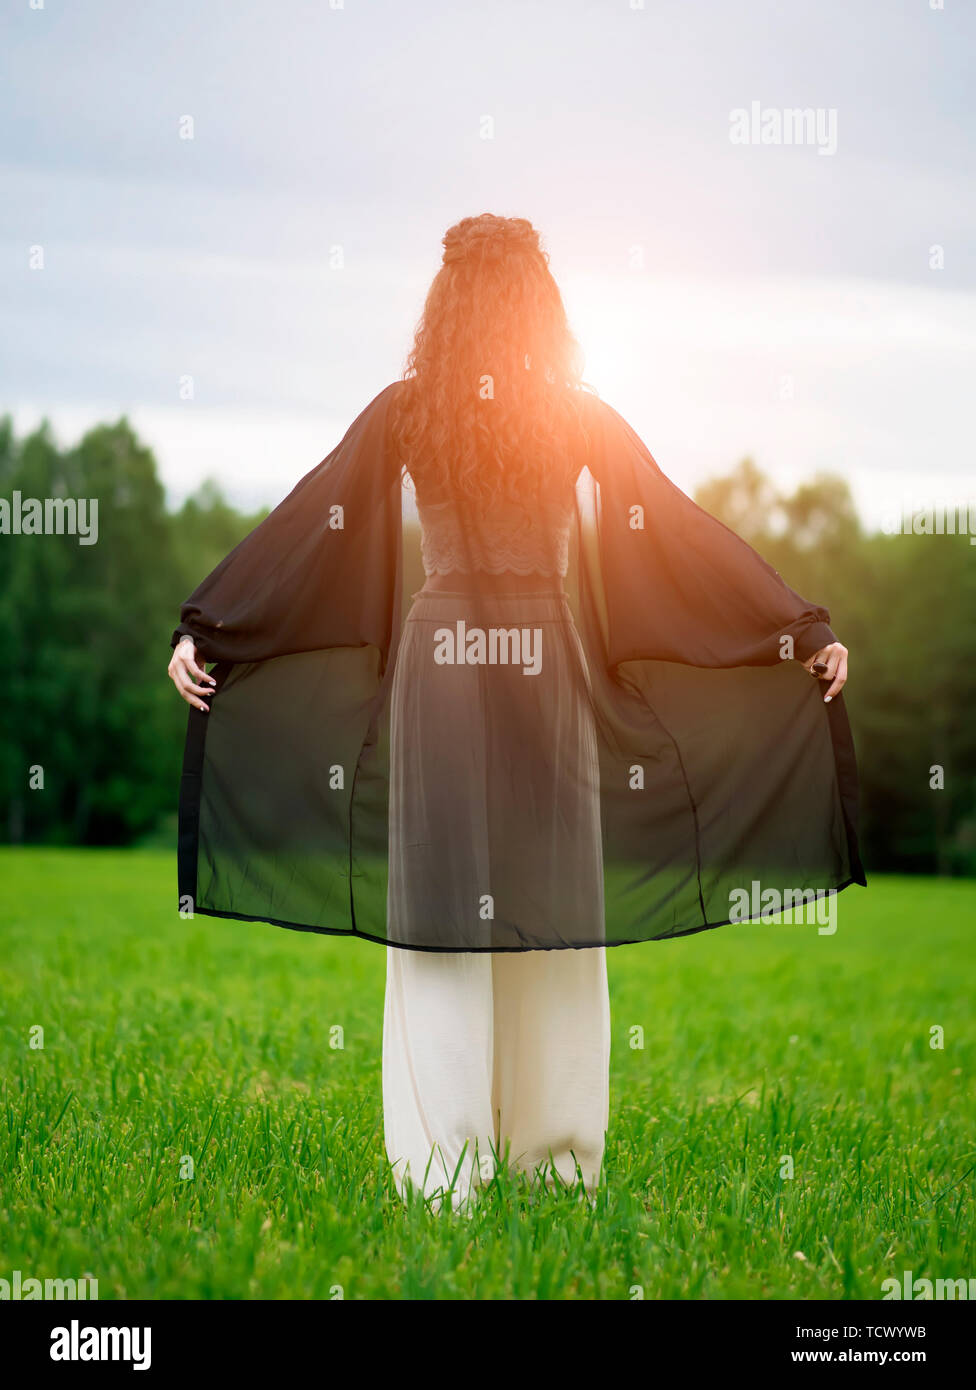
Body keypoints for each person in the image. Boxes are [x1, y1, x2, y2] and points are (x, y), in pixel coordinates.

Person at [167, 213, 858, 1212]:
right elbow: (676, 529)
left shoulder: (408, 411)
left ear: (444, 303)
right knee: (559, 921)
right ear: (542, 300)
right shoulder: (575, 415)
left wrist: (213, 628)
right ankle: (559, 1166)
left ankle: (444, 1177)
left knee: (440, 917)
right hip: (548, 670)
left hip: (442, 671)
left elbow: (309, 526)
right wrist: (793, 627)